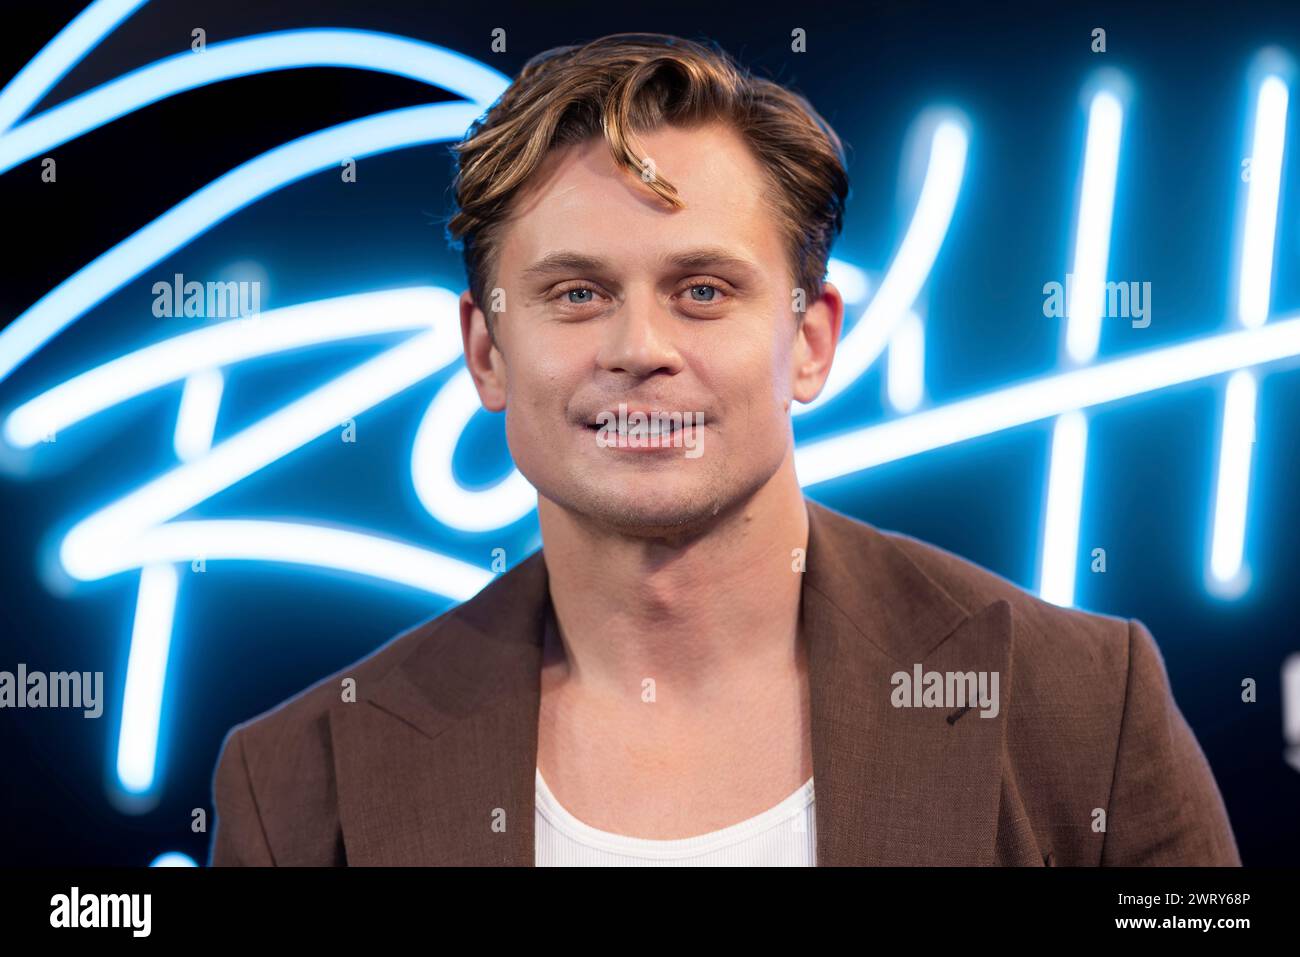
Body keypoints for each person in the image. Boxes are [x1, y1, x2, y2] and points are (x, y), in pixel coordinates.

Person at [209, 32, 1239, 866]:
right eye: (577, 294)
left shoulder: (1084, 708)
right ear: (486, 350)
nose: (640, 351)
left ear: (809, 337)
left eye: (702, 290)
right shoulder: (299, 781)